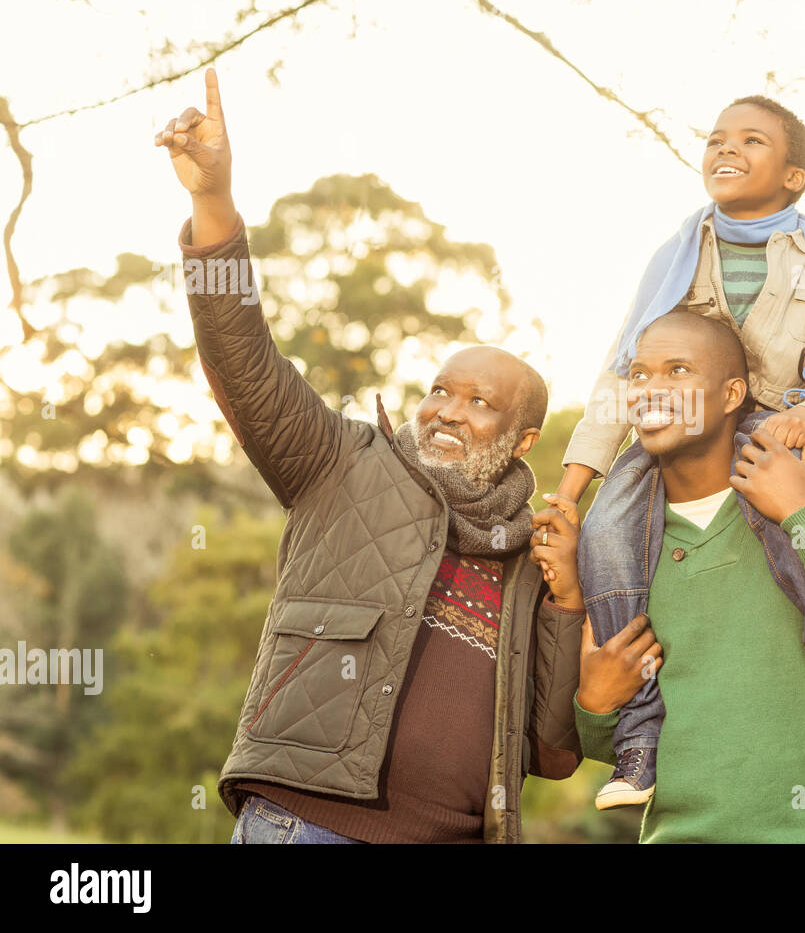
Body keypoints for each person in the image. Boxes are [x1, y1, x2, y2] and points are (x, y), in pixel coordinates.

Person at [154, 68, 586, 843]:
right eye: (440, 389)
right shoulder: (343, 466)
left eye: (480, 402)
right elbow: (244, 361)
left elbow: (551, 753)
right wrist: (211, 203)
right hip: (304, 825)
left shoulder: (537, 558)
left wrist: (569, 599)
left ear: (524, 441)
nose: (448, 410)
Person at [555, 94, 805, 808]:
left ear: (793, 176)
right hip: (676, 425)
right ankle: (639, 739)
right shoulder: (673, 255)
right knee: (609, 532)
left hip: (771, 427)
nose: (726, 150)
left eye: (752, 141)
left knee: (797, 525)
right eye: (715, 138)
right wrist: (573, 487)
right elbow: (623, 373)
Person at [573, 309, 805, 841]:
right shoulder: (613, 548)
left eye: (678, 371)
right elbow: (606, 744)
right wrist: (595, 704)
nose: (650, 389)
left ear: (731, 394)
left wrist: (802, 514)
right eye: (639, 374)